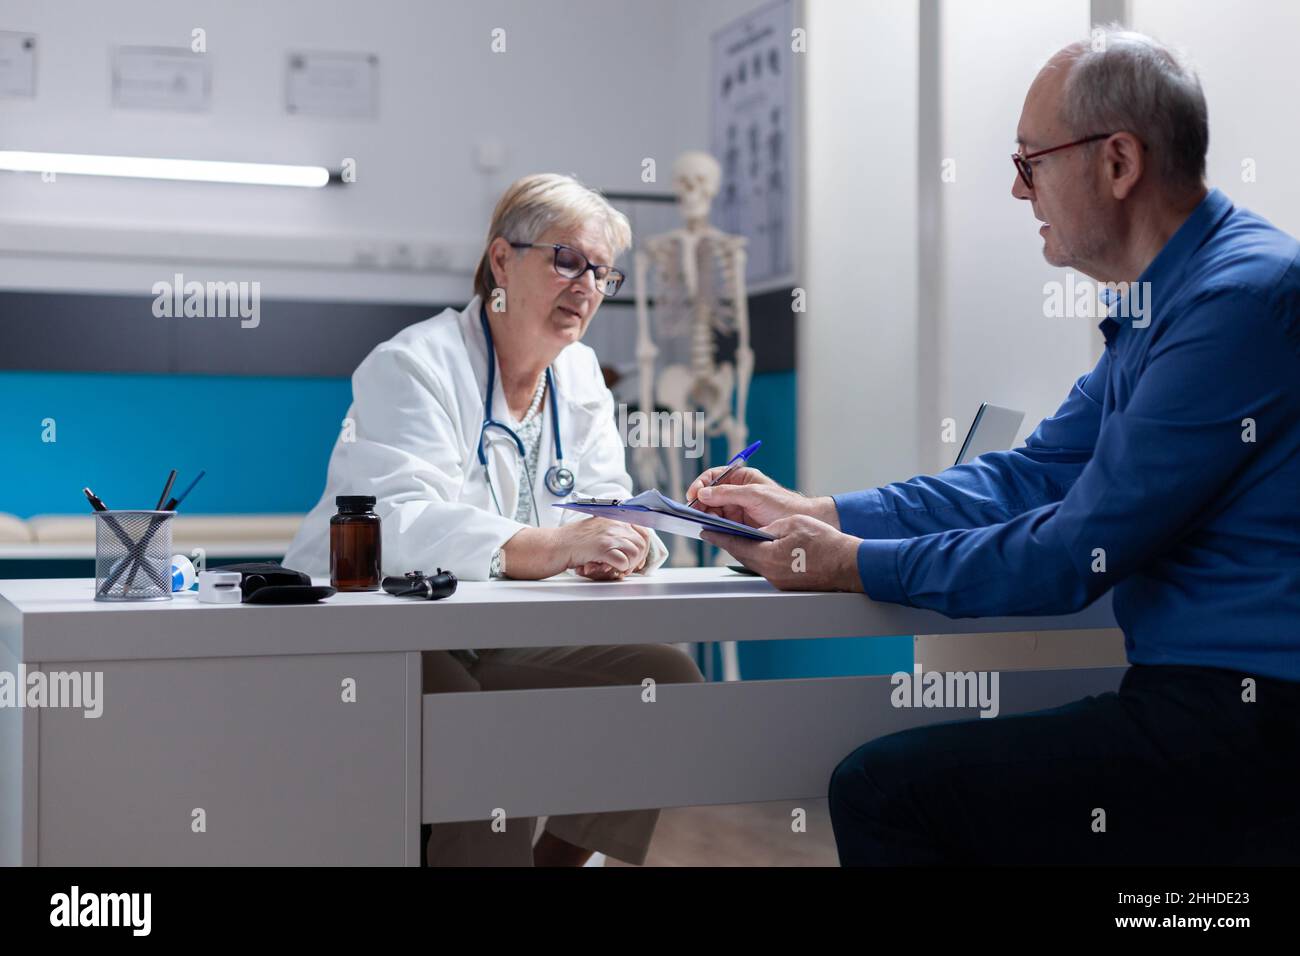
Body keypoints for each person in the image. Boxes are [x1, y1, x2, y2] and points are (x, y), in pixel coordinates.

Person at [691, 28, 1300, 864]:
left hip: (1256, 722)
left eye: (1030, 162)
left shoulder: (1236, 302)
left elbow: (1071, 553)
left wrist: (851, 563)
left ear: (1119, 162)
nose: (1019, 190)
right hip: (1206, 701)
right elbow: (1030, 476)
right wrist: (823, 513)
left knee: (884, 792)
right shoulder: (1169, 302)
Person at [285, 173, 704, 866]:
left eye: (602, 273)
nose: (587, 286)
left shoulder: (580, 378)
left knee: (664, 681)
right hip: (388, 633)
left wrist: (626, 543)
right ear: (503, 260)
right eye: (567, 260)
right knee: (482, 733)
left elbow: (607, 499)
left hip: (501, 632)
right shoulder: (414, 364)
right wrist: (552, 545)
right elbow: (398, 521)